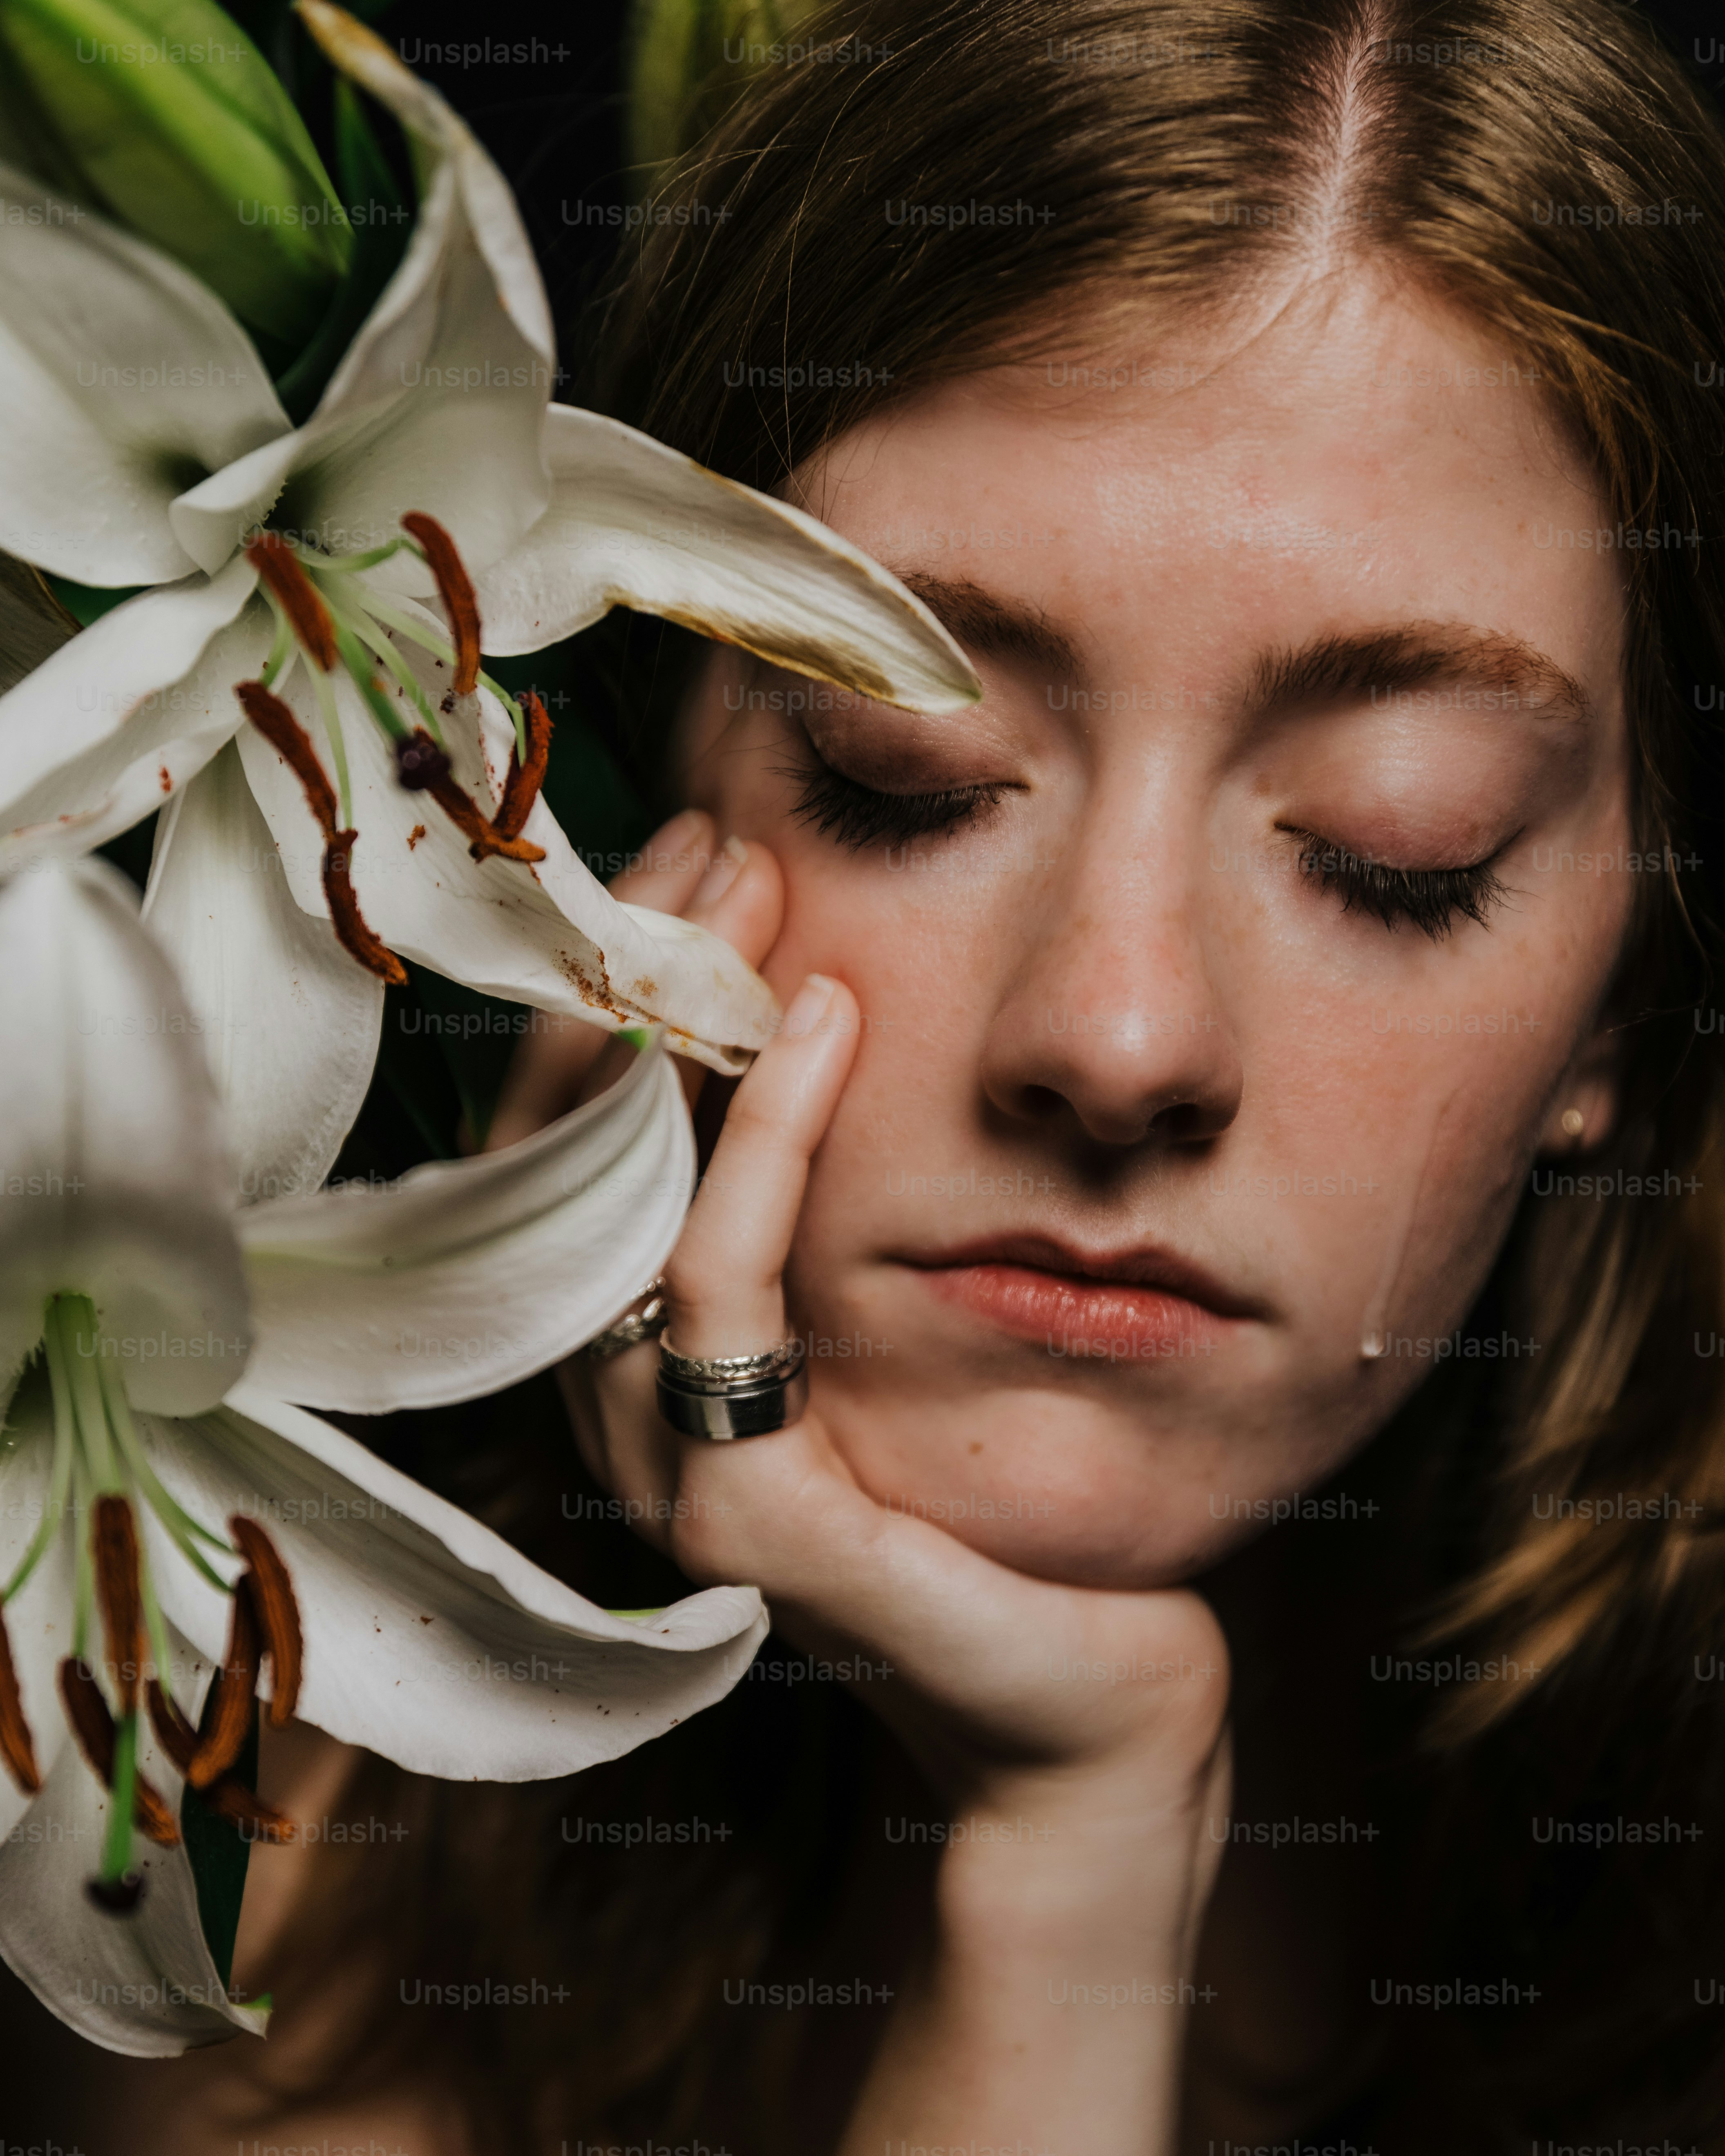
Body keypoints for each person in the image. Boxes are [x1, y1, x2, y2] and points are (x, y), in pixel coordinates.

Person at [114, 0, 1725, 2150]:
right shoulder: (204, 1764)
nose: (1118, 1035)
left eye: (1391, 850)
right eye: (909, 780)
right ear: (609, 790)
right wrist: (1073, 1855)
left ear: (1619, 1002)